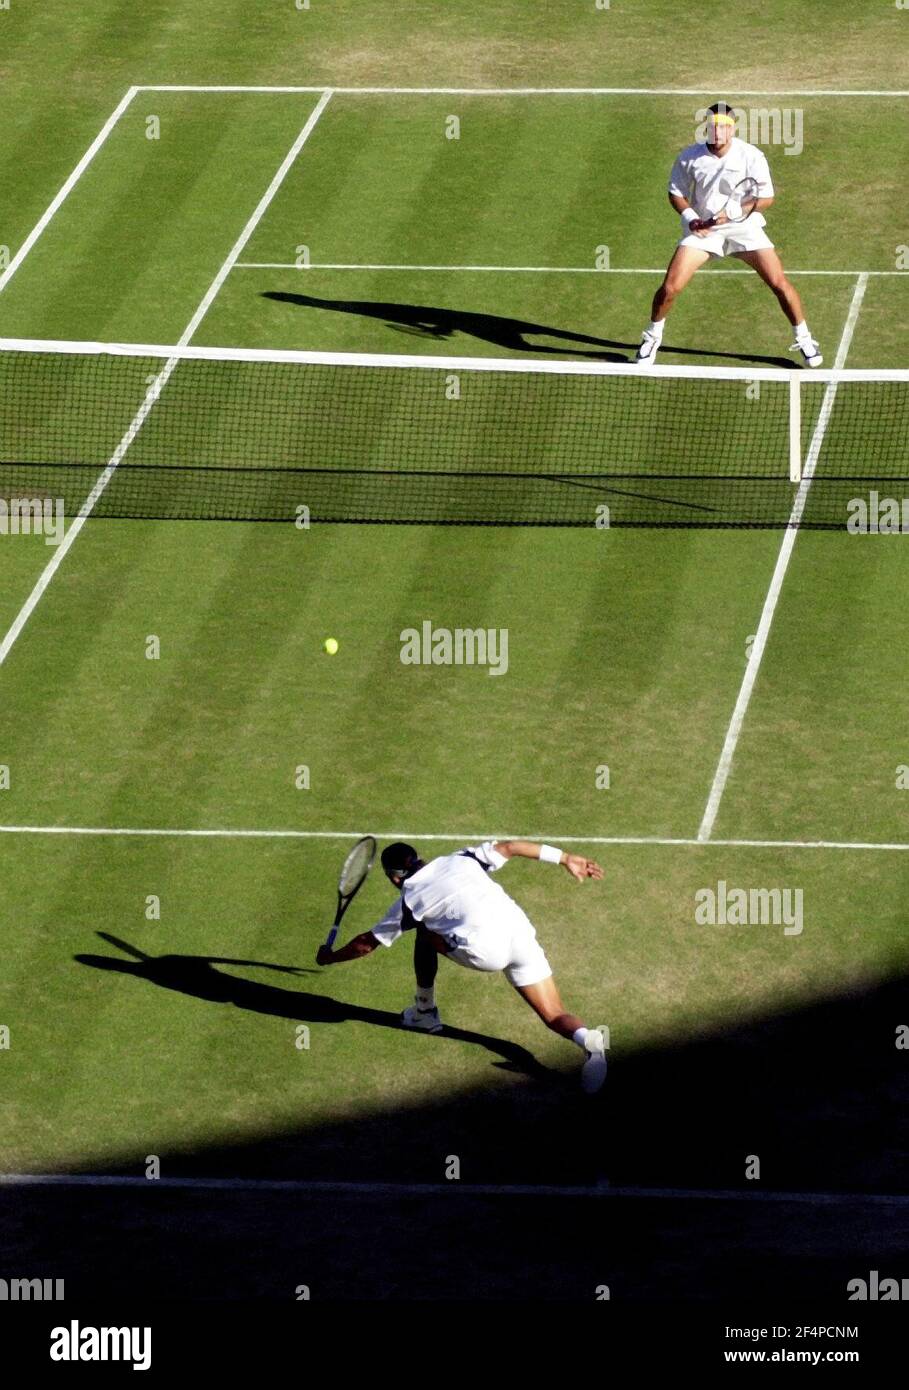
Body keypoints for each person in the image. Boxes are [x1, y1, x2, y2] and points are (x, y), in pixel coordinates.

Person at [316, 838, 609, 1093]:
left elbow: (367, 943)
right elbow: (512, 847)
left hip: (485, 951)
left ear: (394, 878)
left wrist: (331, 957)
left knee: (423, 930)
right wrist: (565, 858)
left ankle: (424, 1012)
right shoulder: (462, 858)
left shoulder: (410, 899)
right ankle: (587, 1040)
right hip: (520, 934)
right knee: (555, 1014)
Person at [636, 101, 822, 368]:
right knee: (670, 288)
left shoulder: (752, 156)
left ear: (732, 130)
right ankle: (652, 337)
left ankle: (804, 338)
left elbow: (766, 198)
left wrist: (735, 210)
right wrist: (692, 219)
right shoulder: (689, 157)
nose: (718, 131)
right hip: (704, 233)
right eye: (713, 126)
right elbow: (676, 193)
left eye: (724, 126)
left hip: (744, 228)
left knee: (779, 283)